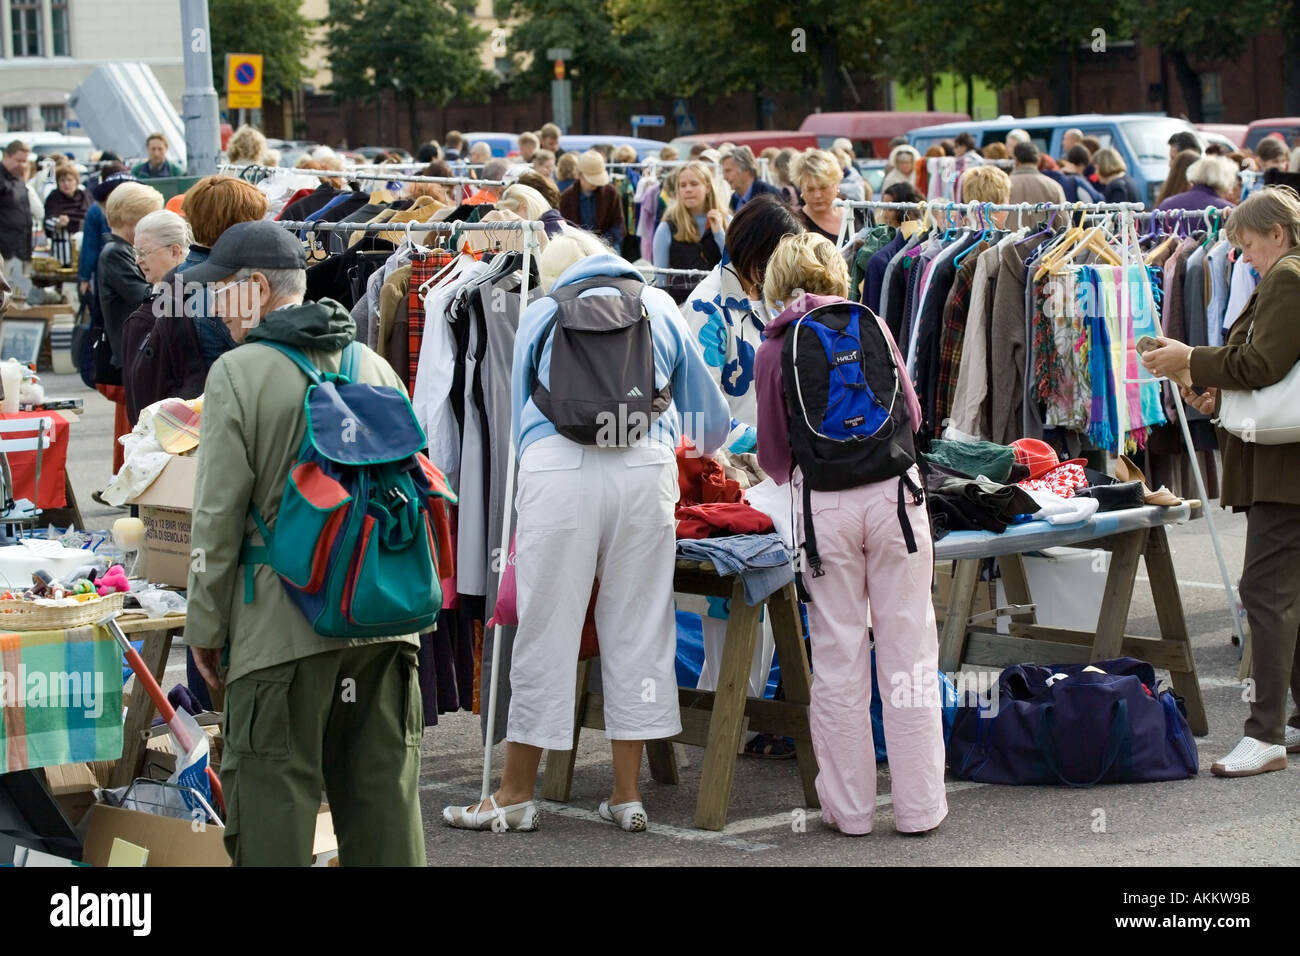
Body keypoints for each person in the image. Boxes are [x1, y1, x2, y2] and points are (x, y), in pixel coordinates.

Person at [442, 228, 729, 832]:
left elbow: (520, 405)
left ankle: (516, 794)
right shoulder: (660, 307)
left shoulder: (543, 312)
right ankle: (627, 796)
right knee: (640, 626)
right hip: (643, 471)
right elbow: (712, 425)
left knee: (547, 627)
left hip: (559, 471)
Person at [181, 221, 425, 865]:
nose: (211, 305)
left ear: (256, 287)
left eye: (220, 292)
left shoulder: (237, 373)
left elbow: (216, 519)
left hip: (280, 628)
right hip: (382, 621)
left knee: (273, 814)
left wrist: (204, 627)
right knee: (386, 814)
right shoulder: (370, 360)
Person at [753, 232, 947, 835]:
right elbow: (912, 417)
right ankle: (919, 809)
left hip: (825, 513)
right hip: (894, 500)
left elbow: (774, 456)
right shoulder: (873, 325)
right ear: (839, 274)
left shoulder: (775, 347)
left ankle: (851, 812)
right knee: (908, 652)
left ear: (774, 283)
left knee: (838, 658)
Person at [1140, 185, 1300, 777]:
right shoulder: (1288, 273)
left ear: (1276, 235)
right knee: (1281, 592)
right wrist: (1208, 377)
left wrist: (1190, 357)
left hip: (1286, 467)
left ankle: (1265, 735)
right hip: (1283, 460)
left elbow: (1262, 364)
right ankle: (1286, 725)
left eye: (1249, 245)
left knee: (1266, 591)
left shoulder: (1287, 276)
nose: (1244, 257)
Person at [680, 197, 805, 750]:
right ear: (758, 251)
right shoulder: (707, 308)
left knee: (763, 594)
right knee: (732, 600)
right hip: (727, 471)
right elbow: (696, 412)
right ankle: (720, 717)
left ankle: (742, 717)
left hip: (768, 470)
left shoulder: (762, 301)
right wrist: (760, 442)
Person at [98, 182, 164, 471]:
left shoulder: (118, 251)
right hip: (129, 353)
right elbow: (142, 295)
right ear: (134, 221)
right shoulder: (116, 253)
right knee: (133, 430)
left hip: (130, 351)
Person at [652, 160, 728, 302]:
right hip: (682, 307)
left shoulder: (726, 220)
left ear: (708, 188)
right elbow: (660, 280)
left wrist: (719, 233)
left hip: (720, 305)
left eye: (694, 184)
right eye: (682, 185)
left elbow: (736, 264)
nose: (688, 189)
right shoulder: (667, 227)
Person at [558, 150, 624, 248]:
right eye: (591, 178)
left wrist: (602, 244)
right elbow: (564, 229)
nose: (595, 183)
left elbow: (618, 225)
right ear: (580, 175)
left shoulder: (611, 193)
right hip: (577, 249)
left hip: (608, 247)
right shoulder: (566, 198)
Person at [795, 149, 855, 241]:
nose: (817, 195)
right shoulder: (796, 224)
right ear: (801, 189)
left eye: (823, 187)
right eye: (810, 189)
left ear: (837, 184)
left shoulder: (857, 213)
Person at [0, 140, 33, 300]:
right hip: (4, 249)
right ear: (7, 156)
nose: (22, 165)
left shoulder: (18, 179)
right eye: (18, 160)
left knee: (18, 297)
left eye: (24, 161)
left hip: (21, 247)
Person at [1156, 155, 1237, 217]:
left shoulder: (1167, 204)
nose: (1230, 191)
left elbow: (1151, 236)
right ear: (1226, 180)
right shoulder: (1227, 211)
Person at [42, 162, 91, 264]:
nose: (66, 184)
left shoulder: (85, 196)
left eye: (69, 180)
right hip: (61, 252)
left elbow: (91, 216)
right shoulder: (53, 197)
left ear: (76, 181)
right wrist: (58, 222)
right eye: (62, 180)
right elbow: (47, 220)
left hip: (84, 251)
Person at [1008, 141, 1067, 226]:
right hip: (1046, 238)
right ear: (1038, 161)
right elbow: (1063, 223)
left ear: (1016, 161)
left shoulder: (1004, 185)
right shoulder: (1053, 186)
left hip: (1010, 238)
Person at [721, 145, 782, 211]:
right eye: (724, 172)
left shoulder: (769, 196)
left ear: (746, 169)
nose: (724, 177)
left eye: (728, 171)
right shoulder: (735, 199)